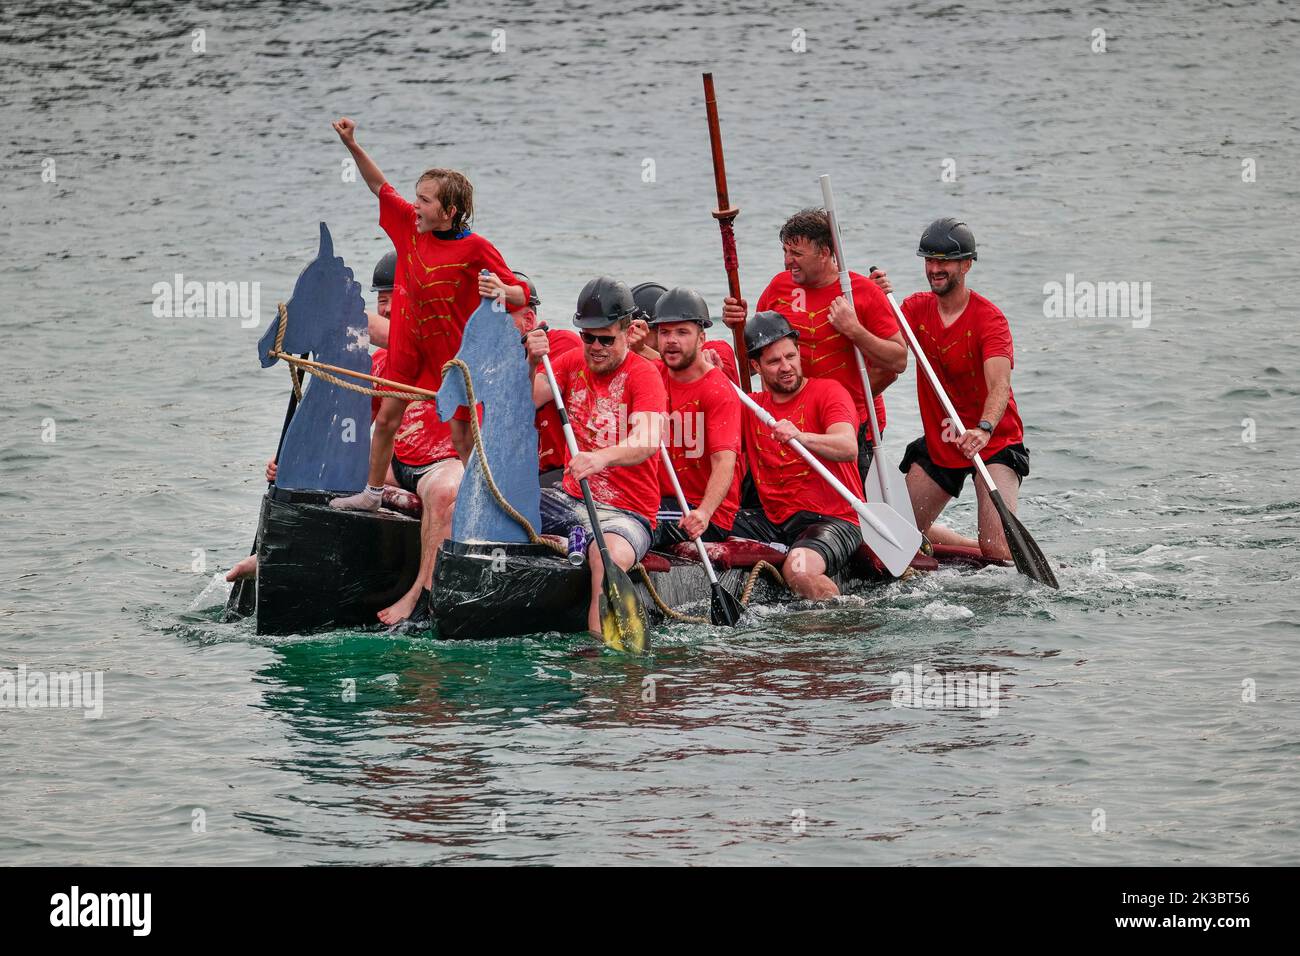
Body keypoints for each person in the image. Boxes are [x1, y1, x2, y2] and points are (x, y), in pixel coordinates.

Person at [327, 116, 527, 512]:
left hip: (451, 360)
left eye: (425, 200)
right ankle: (371, 494)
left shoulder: (475, 248)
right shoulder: (408, 227)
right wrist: (352, 144)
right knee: (386, 420)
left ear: (449, 211)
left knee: (462, 436)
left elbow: (520, 295)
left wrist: (502, 290)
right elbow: (377, 185)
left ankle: (483, 505)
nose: (415, 205)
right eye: (416, 197)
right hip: (407, 350)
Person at [522, 277, 665, 637]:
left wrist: (602, 458)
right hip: (570, 499)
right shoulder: (569, 363)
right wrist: (530, 360)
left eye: (606, 339)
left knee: (606, 556)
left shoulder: (644, 375)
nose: (596, 347)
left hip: (627, 511)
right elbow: (523, 403)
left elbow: (647, 440)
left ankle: (599, 653)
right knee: (503, 506)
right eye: (588, 338)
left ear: (628, 332)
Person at [722, 208, 906, 483]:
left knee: (852, 513)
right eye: (785, 252)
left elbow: (898, 361)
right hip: (788, 423)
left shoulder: (862, 292)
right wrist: (739, 326)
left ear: (825, 252)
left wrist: (854, 330)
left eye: (796, 254)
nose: (787, 262)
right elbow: (754, 364)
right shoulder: (778, 288)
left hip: (843, 425)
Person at [897, 218, 1031, 561]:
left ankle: (1000, 549)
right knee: (895, 534)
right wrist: (870, 297)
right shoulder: (913, 309)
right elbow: (888, 349)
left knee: (997, 551)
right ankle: (964, 547)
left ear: (966, 264)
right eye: (929, 260)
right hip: (942, 441)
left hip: (993, 442)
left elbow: (1000, 385)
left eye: (944, 260)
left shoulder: (990, 320)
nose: (935, 269)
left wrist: (984, 428)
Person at [729, 312, 864, 600]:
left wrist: (800, 436)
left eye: (791, 356)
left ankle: (842, 627)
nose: (786, 367)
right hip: (773, 521)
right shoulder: (751, 407)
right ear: (756, 366)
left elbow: (847, 446)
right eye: (774, 361)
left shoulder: (828, 392)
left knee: (800, 571)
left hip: (833, 519)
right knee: (701, 523)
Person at [644, 287, 742, 547]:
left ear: (701, 339)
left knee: (633, 522)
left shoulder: (718, 389)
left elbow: (724, 462)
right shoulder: (651, 375)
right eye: (664, 332)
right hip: (662, 500)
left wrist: (705, 512)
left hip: (702, 510)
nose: (671, 340)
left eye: (682, 332)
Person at [506, 272, 583, 486]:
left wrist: (531, 362)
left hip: (567, 472)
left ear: (529, 319)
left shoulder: (563, 344)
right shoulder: (495, 359)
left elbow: (529, 401)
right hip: (525, 472)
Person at [629, 280, 742, 386]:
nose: (631, 339)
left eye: (681, 332)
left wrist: (642, 349)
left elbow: (686, 369)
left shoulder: (717, 351)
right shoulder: (637, 364)